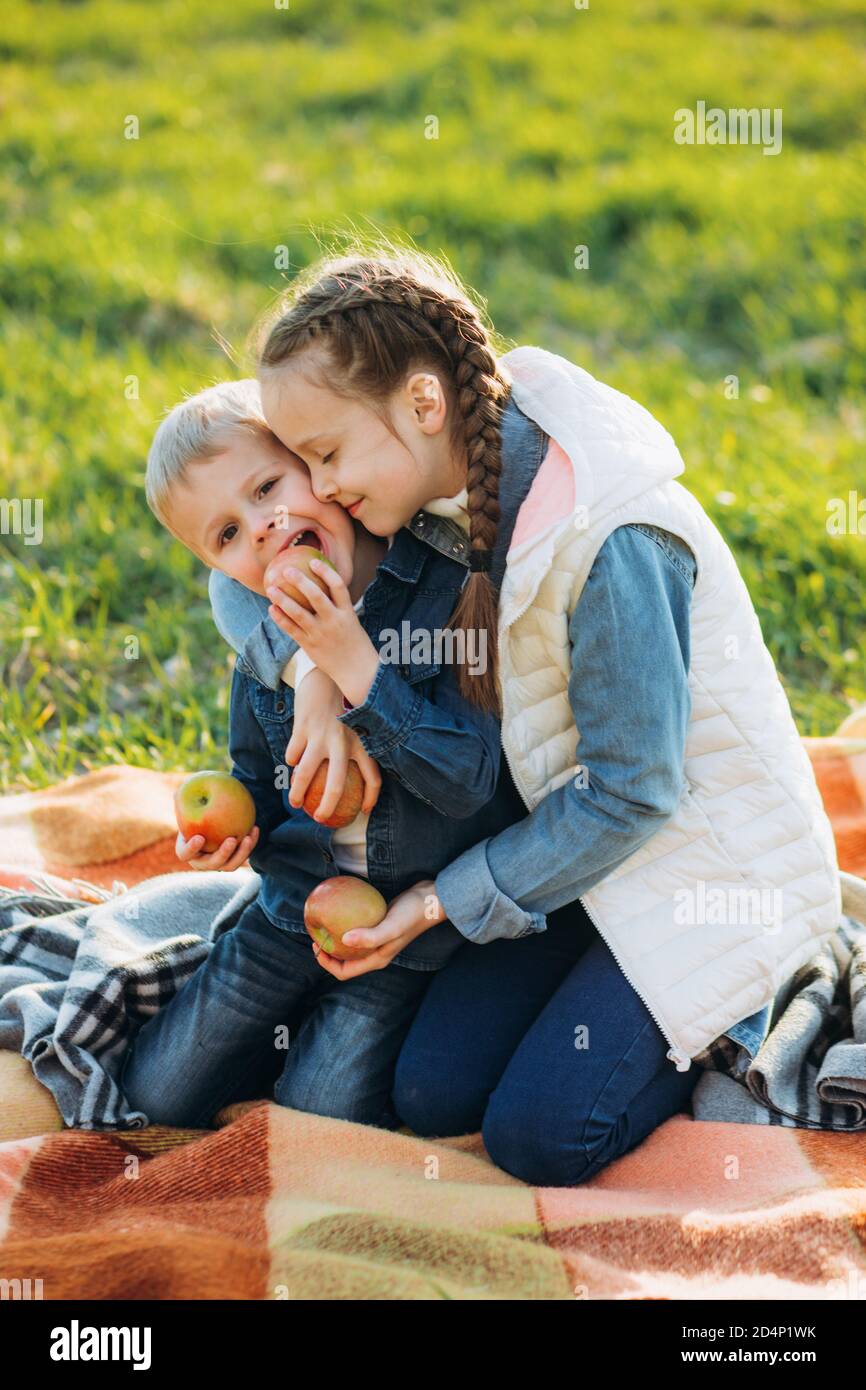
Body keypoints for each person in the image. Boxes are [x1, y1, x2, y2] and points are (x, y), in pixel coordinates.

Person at [209, 243, 841, 1186]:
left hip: (697, 875)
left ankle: (757, 1008)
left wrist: (437, 901)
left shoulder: (613, 536)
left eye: (327, 454)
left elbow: (634, 794)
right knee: (431, 1094)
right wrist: (312, 676)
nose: (320, 490)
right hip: (574, 870)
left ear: (423, 404)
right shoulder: (436, 483)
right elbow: (229, 577)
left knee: (541, 1137)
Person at [123, 379, 519, 1131]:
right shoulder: (265, 642)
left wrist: (352, 664)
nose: (263, 528)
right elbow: (256, 775)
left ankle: (338, 1042)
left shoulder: (443, 598)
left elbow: (471, 782)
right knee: (156, 1096)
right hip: (292, 908)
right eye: (227, 535)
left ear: (317, 463)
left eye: (268, 486)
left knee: (318, 1115)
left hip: (403, 932)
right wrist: (241, 831)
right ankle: (279, 1032)